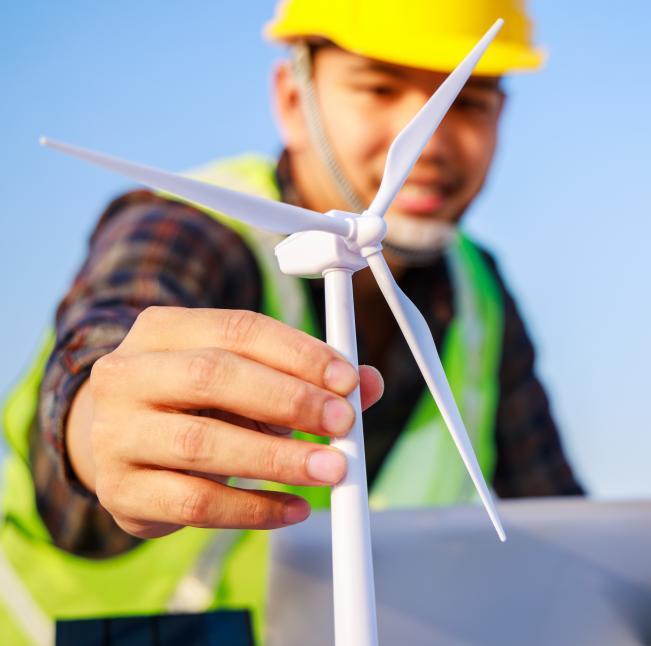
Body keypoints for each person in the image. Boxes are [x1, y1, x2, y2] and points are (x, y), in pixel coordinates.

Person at [0, 0, 582, 643]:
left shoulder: (481, 295)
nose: (432, 139)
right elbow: (111, 334)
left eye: (467, 103)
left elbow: (558, 535)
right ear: (291, 99)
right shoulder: (191, 228)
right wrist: (92, 429)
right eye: (379, 88)